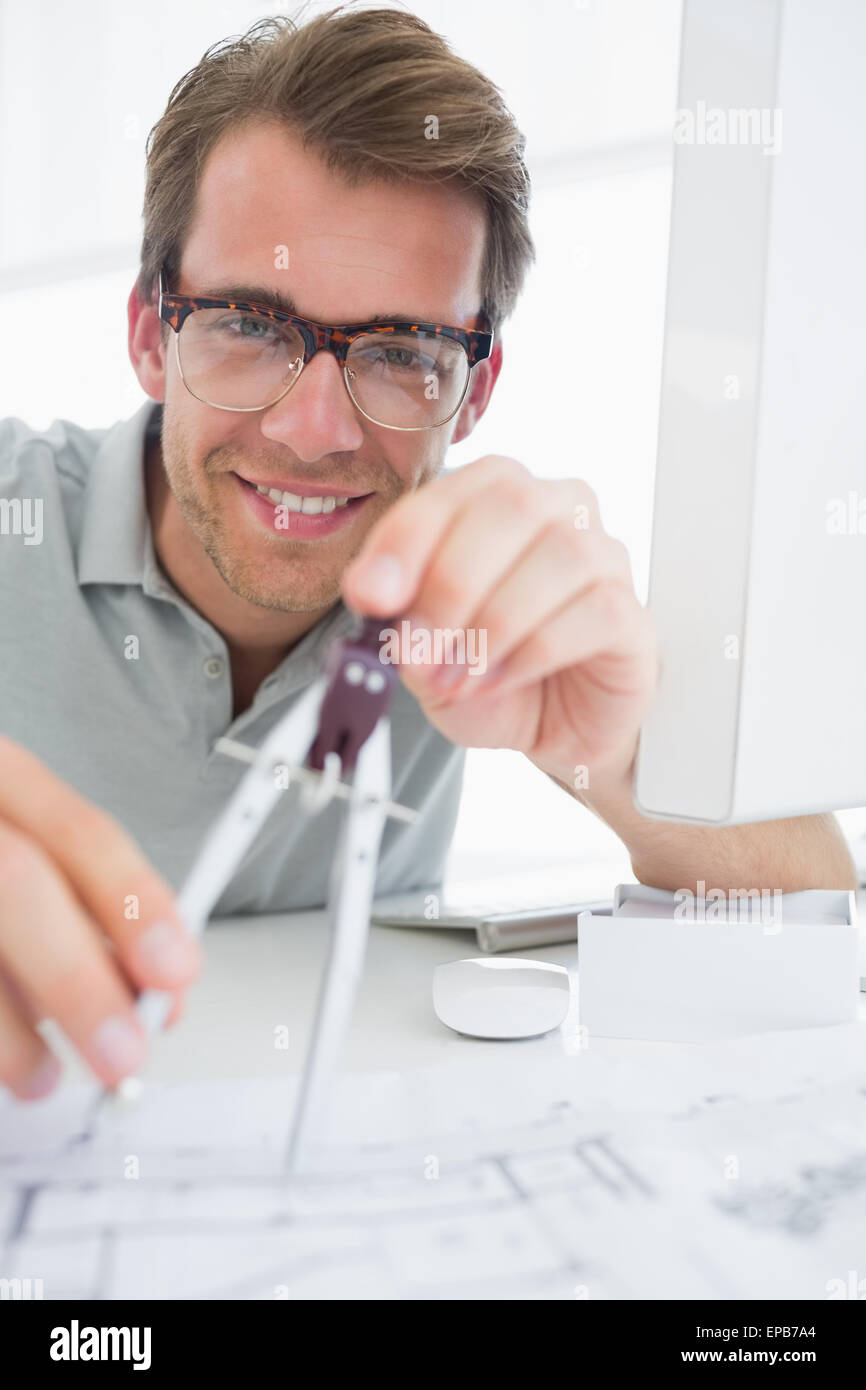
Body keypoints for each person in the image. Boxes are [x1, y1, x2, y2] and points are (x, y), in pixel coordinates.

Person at [0, 5, 854, 1104]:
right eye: (251, 325)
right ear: (147, 335)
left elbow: (811, 931)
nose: (315, 431)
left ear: (473, 389)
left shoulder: (479, 590)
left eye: (402, 352)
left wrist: (624, 747)